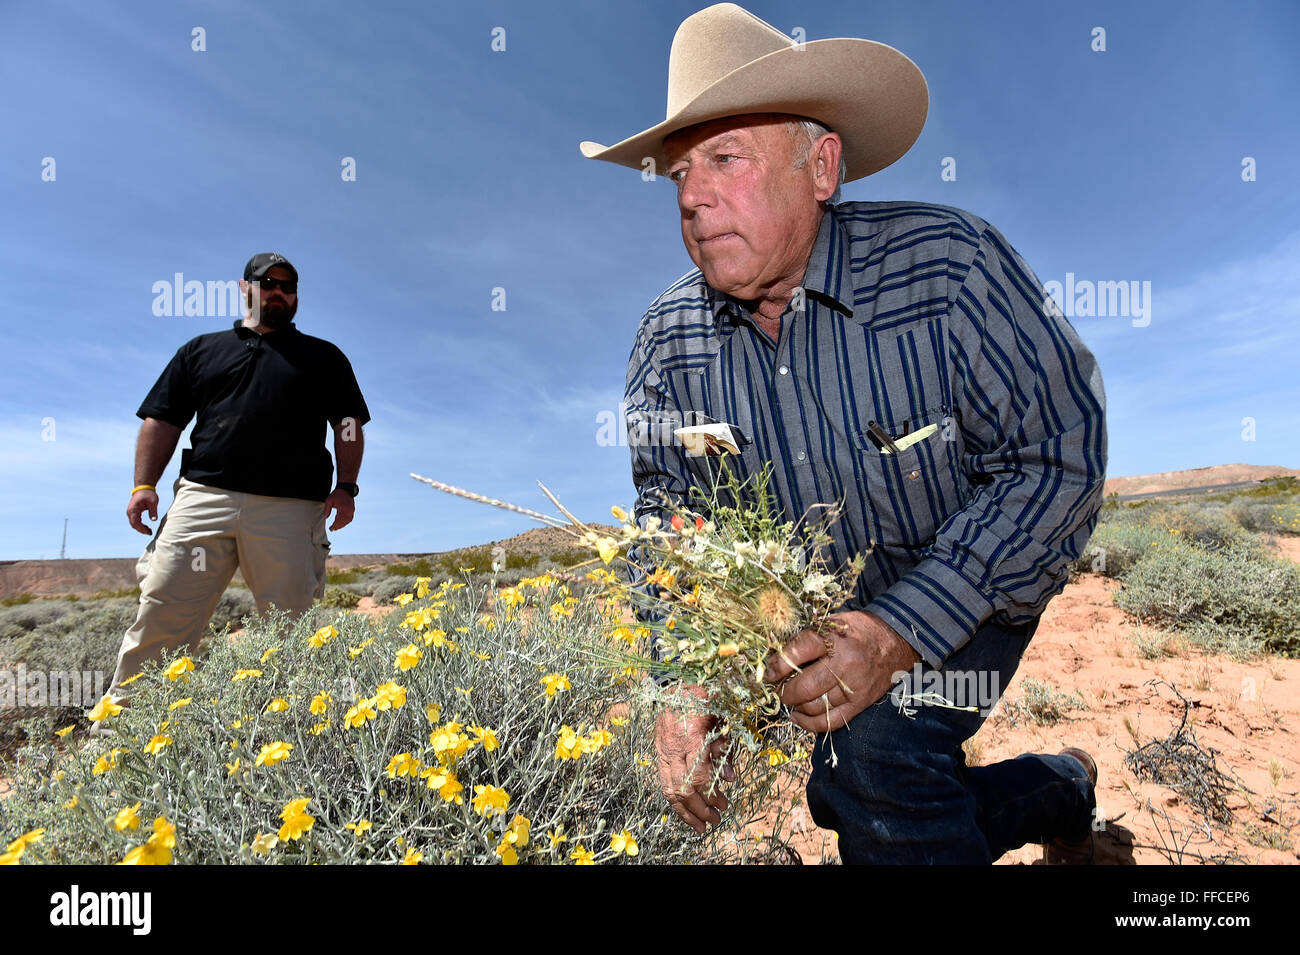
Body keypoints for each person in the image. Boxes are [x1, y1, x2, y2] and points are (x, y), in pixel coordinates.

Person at [581, 4, 1109, 863]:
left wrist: (897, 631)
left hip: (972, 578)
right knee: (863, 779)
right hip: (810, 623)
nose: (691, 195)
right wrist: (679, 673)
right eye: (678, 172)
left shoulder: (951, 269)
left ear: (820, 165)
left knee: (874, 749)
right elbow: (667, 518)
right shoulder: (666, 339)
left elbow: (1055, 460)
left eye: (724, 158)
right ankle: (1059, 784)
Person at [105, 253, 370, 707]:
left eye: (289, 286)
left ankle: (293, 738)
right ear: (245, 288)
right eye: (268, 283)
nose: (279, 292)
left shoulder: (323, 357)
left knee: (291, 629)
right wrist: (143, 485)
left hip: (290, 509)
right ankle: (122, 736)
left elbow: (347, 423)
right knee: (163, 613)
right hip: (204, 497)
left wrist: (346, 487)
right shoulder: (201, 350)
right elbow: (162, 420)